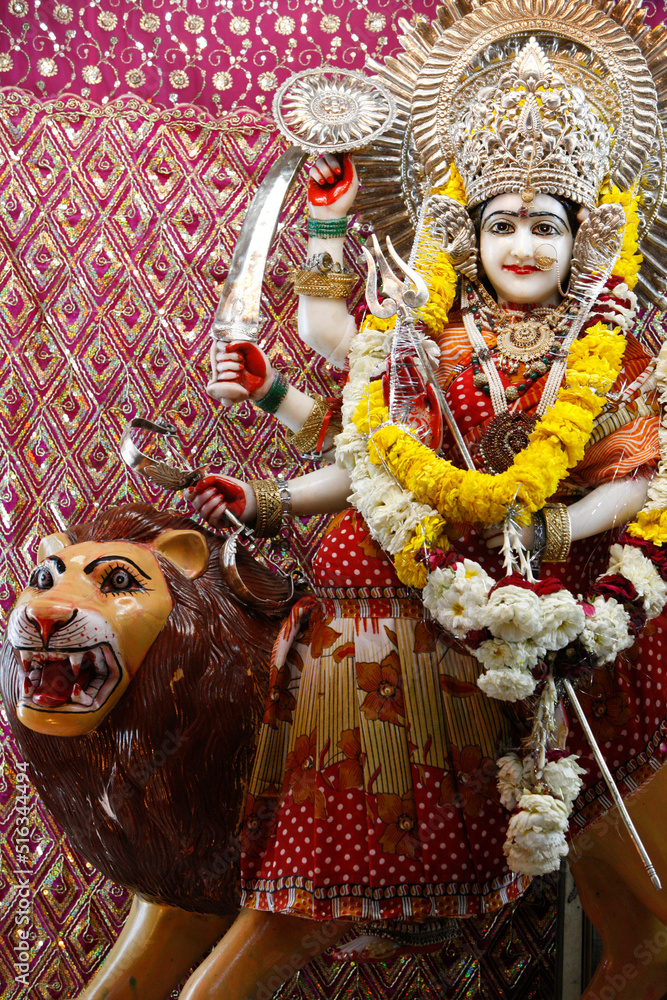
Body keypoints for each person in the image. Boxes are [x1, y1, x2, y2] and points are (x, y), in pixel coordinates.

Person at [182, 14, 667, 1000]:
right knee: (359, 556)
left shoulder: (612, 350)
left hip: (557, 598)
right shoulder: (421, 341)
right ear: (466, 234)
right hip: (420, 595)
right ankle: (369, 851)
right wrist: (272, 498)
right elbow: (369, 463)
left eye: (544, 223)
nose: (522, 244)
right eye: (502, 224)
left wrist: (557, 527)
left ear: (582, 238)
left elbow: (644, 478)